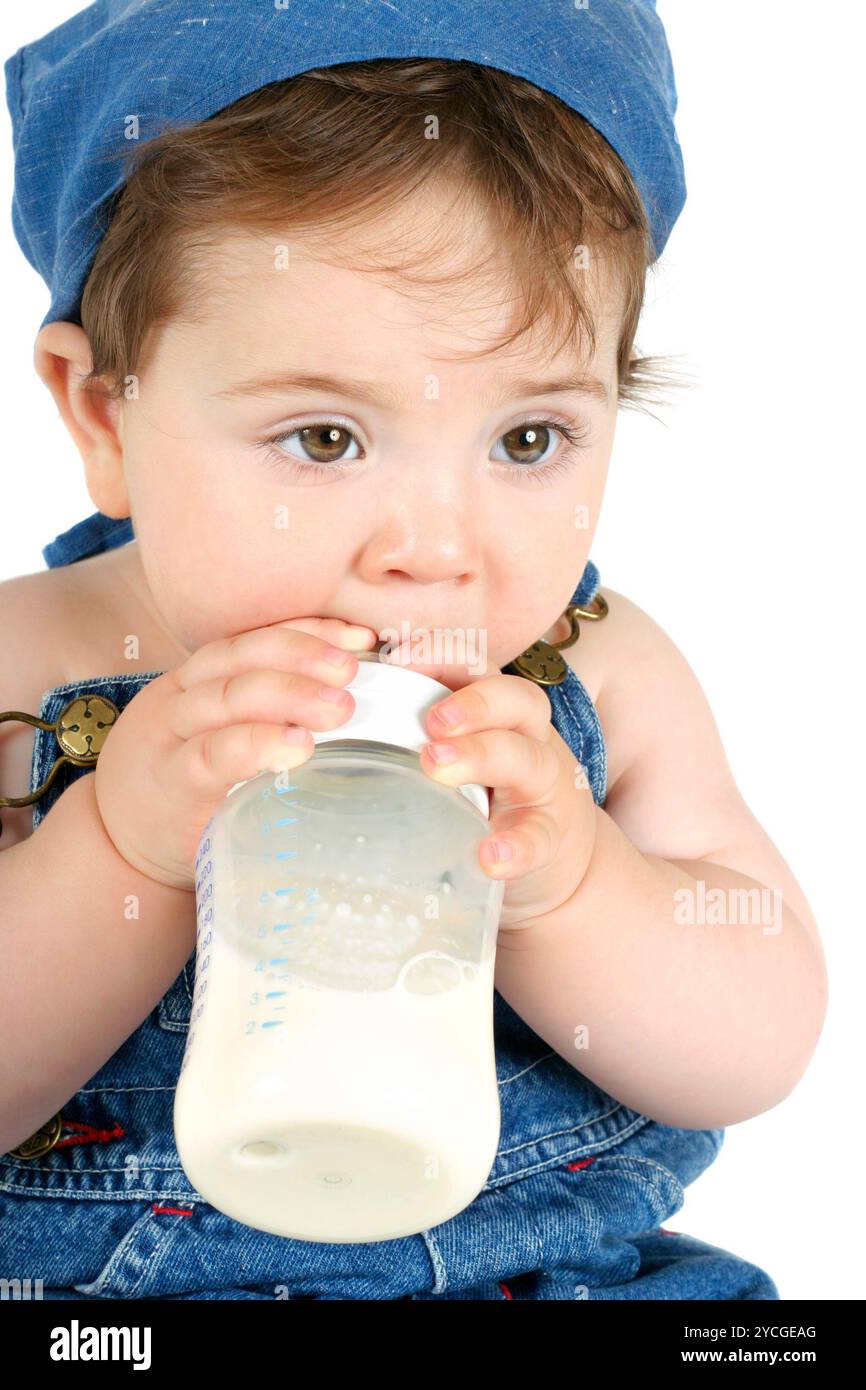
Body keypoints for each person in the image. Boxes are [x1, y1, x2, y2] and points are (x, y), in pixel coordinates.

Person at [0, 0, 824, 1299]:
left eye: (527, 441)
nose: (435, 550)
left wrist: (570, 881)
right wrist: (121, 843)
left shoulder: (596, 665)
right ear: (106, 411)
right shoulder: (22, 673)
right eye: (324, 439)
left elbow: (756, 1038)